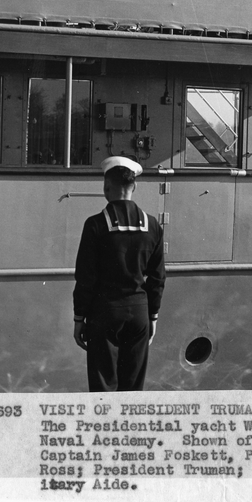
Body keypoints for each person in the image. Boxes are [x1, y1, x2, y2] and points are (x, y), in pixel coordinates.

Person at [73, 156, 166, 391]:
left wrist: (79, 318)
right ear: (134, 187)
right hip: (139, 313)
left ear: (106, 187)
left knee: (103, 389)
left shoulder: (95, 225)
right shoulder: (153, 225)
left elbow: (85, 278)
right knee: (133, 390)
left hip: (105, 312)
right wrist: (153, 316)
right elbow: (157, 278)